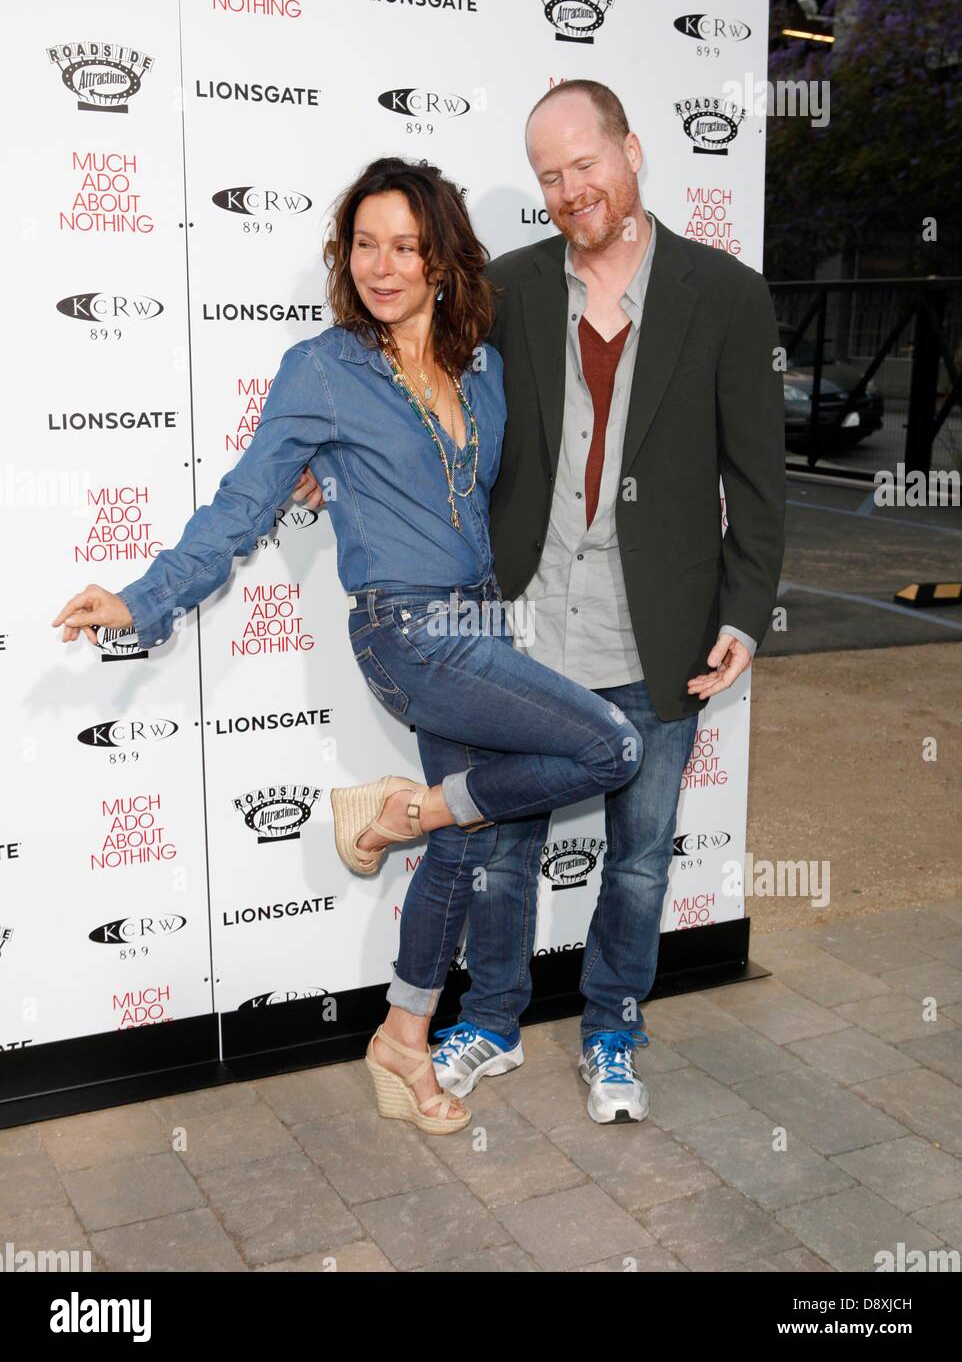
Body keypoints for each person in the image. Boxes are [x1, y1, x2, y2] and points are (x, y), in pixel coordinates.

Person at [52, 156, 645, 1138]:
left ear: (442, 261)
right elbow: (244, 501)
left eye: (404, 246)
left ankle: (401, 1038)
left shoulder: (481, 366)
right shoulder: (321, 368)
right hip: (407, 632)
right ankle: (401, 812)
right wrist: (140, 598)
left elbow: (490, 488)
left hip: (480, 616)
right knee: (609, 745)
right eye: (363, 244)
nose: (380, 265)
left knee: (457, 849)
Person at [298, 81, 785, 1126]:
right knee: (500, 845)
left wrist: (743, 612)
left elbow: (755, 479)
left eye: (585, 164)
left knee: (642, 853)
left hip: (664, 630)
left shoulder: (725, 296)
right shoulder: (510, 286)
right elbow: (412, 373)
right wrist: (325, 454)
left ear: (633, 151)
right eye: (550, 175)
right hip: (516, 621)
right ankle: (493, 1018)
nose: (571, 190)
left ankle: (612, 1024)